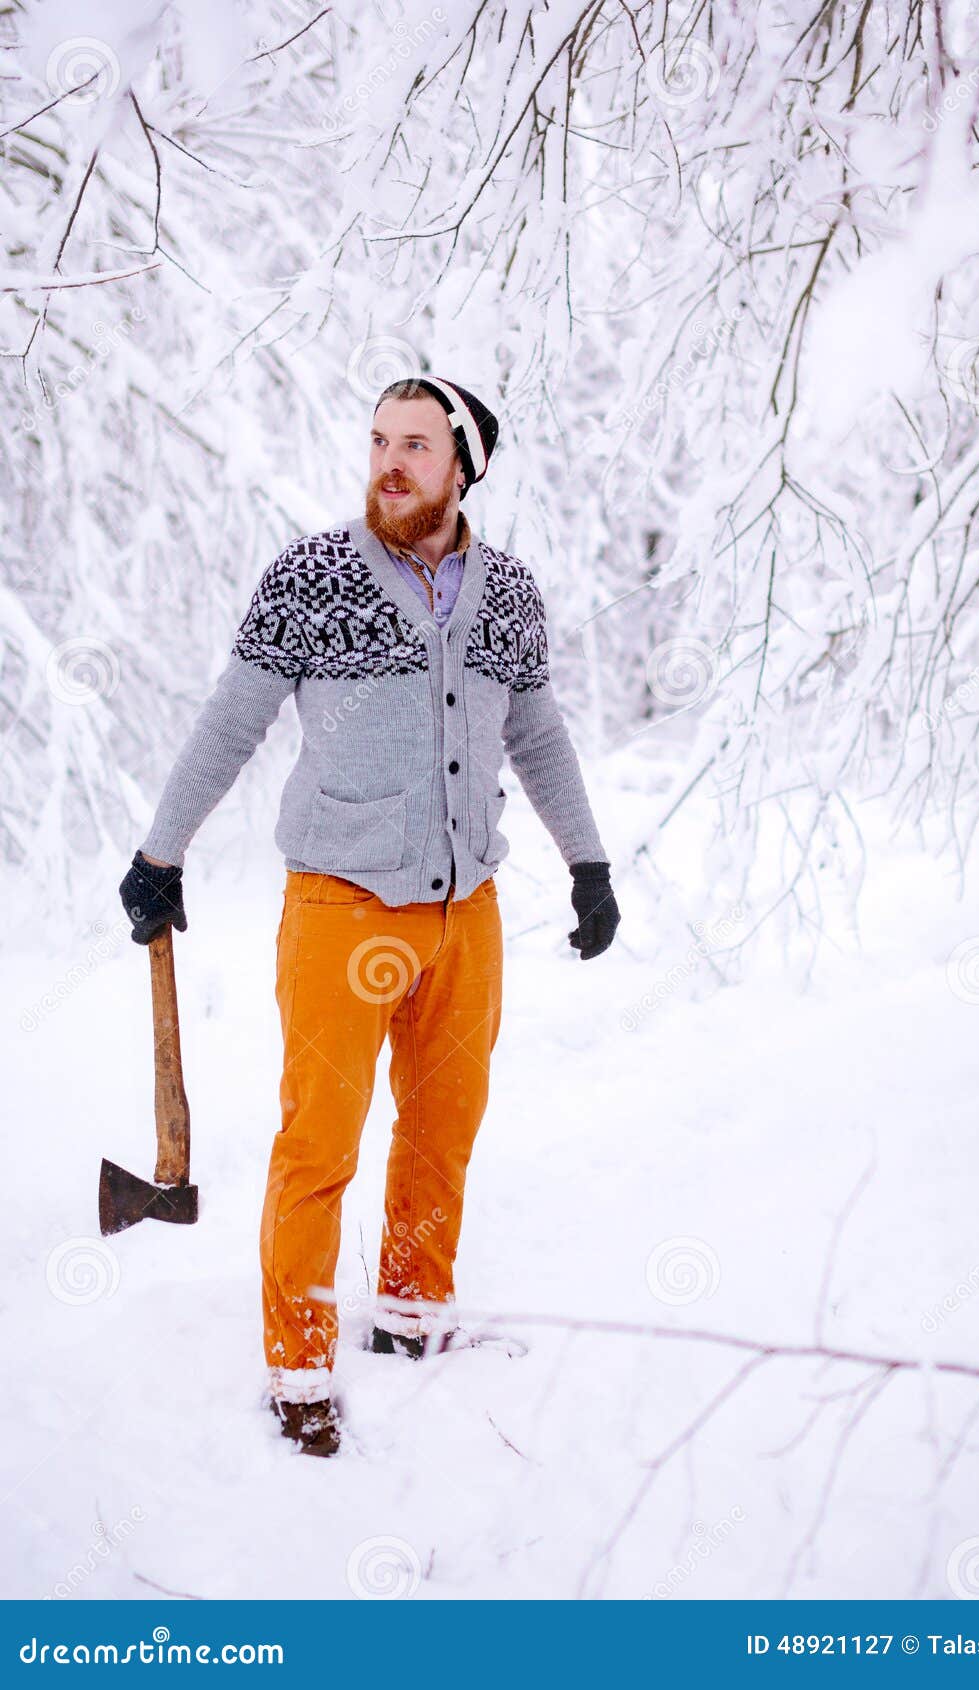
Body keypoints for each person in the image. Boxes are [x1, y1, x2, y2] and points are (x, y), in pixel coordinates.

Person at [119, 376, 621, 1457]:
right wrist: (162, 850)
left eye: (416, 446)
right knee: (319, 1144)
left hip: (464, 908)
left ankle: (409, 1312)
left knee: (440, 1136)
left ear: (462, 468)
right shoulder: (311, 577)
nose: (389, 462)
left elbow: (536, 735)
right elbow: (231, 720)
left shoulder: (510, 596)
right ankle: (299, 1365)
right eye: (380, 440)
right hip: (343, 908)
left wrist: (586, 863)